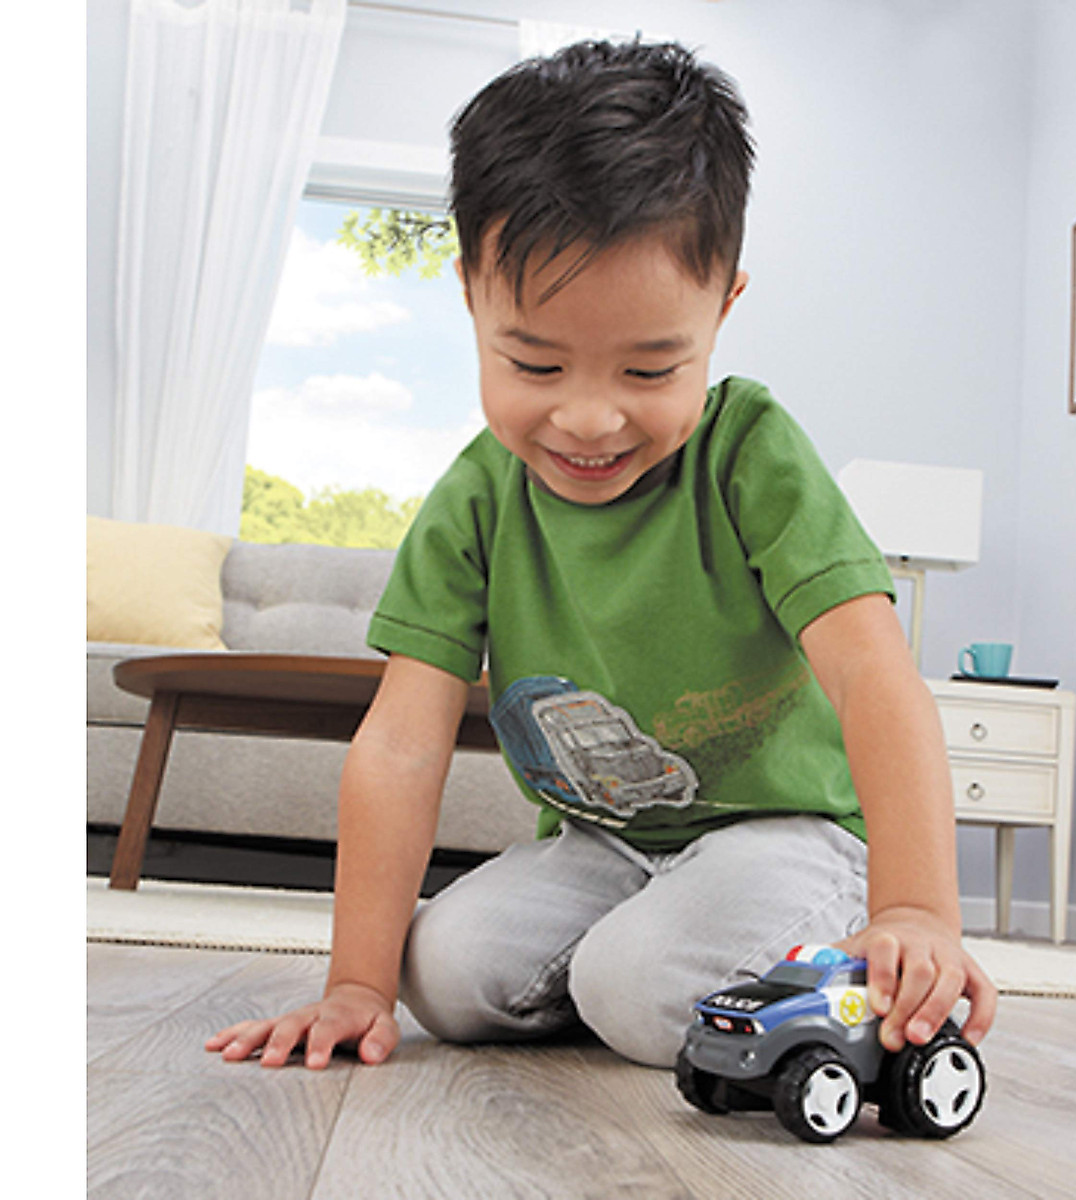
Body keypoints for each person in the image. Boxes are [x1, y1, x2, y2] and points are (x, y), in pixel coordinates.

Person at [207, 39, 996, 1073]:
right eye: (534, 364)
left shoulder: (751, 454)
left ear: (722, 308)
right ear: (470, 297)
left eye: (649, 369)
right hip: (604, 845)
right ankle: (644, 975)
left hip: (792, 833)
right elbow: (401, 745)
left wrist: (917, 910)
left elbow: (874, 677)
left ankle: (787, 966)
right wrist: (356, 983)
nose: (588, 419)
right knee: (441, 974)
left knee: (639, 986)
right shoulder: (476, 499)